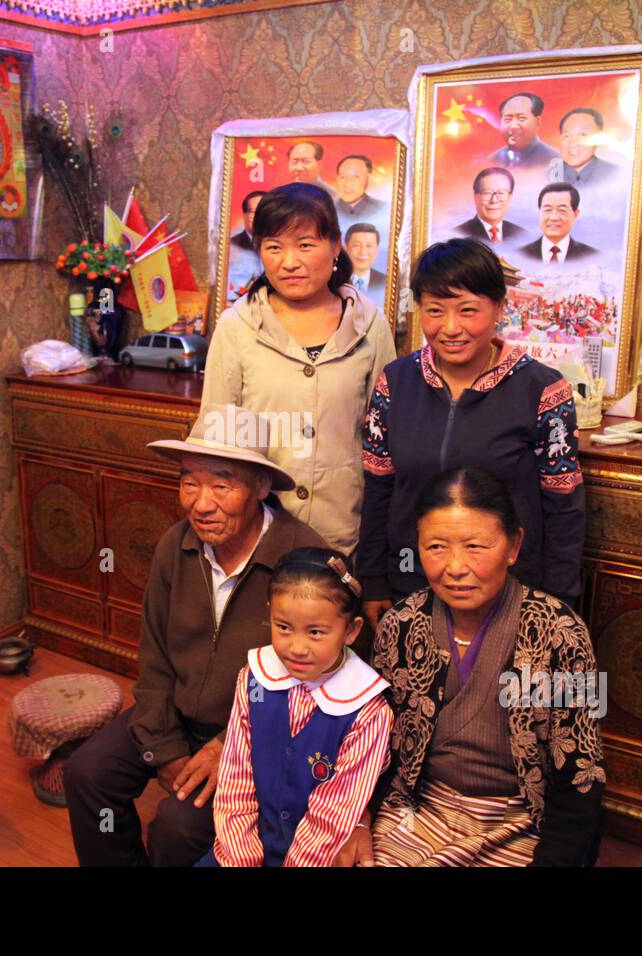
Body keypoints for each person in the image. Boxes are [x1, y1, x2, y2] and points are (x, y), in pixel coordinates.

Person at [63, 406, 327, 866]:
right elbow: (155, 659)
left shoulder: (303, 559)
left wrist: (227, 744)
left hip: (254, 737)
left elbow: (312, 686)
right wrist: (162, 747)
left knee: (176, 828)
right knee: (87, 774)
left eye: (222, 484)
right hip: (178, 713)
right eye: (189, 482)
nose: (201, 503)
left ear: (262, 488)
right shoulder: (176, 545)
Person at [335, 467, 605, 867]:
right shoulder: (401, 625)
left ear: (513, 547)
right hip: (417, 807)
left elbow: (582, 775)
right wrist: (358, 821)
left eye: (476, 547)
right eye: (437, 547)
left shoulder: (562, 633)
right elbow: (373, 748)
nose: (455, 567)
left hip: (519, 819)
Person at [359, 237, 585, 622]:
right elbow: (379, 487)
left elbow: (563, 505)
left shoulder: (542, 389)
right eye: (434, 311)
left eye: (468, 310)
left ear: (498, 307)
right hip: (412, 578)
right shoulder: (395, 382)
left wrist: (558, 600)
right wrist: (374, 576)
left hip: (507, 588)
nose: (450, 328)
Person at [203, 182, 396, 556]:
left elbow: (383, 441)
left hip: (342, 534)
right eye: (273, 247)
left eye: (305, 245)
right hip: (259, 536)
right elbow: (217, 446)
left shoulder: (369, 325)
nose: (289, 262)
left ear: (335, 246)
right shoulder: (237, 325)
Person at [200, 548, 392, 866]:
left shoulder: (368, 712)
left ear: (351, 631)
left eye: (316, 632)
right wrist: (240, 857)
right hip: (244, 852)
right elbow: (235, 778)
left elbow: (332, 816)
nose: (297, 647)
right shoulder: (253, 680)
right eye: (284, 627)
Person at [516, 182, 599, 264]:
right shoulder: (520, 254)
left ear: (575, 214)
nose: (553, 218)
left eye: (562, 210)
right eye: (547, 210)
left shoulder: (591, 256)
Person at [334, 154, 390, 264]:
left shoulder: (384, 211)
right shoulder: (324, 210)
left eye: (356, 177)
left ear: (368, 179)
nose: (348, 183)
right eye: (342, 177)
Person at [546, 108, 620, 190]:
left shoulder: (617, 175)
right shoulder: (544, 177)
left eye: (583, 135)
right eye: (567, 136)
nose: (573, 144)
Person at [452, 167, 527, 247]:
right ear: (475, 196)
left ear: (510, 197)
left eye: (501, 193)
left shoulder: (521, 234)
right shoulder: (457, 235)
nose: (494, 200)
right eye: (487, 193)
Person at [489, 92, 559, 170]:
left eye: (521, 118)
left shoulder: (554, 160)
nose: (513, 126)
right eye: (508, 119)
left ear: (537, 122)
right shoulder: (492, 161)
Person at [344, 223, 387, 305]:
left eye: (369, 246)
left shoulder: (385, 281)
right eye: (356, 245)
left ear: (377, 249)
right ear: (346, 248)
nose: (363, 252)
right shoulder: (335, 281)